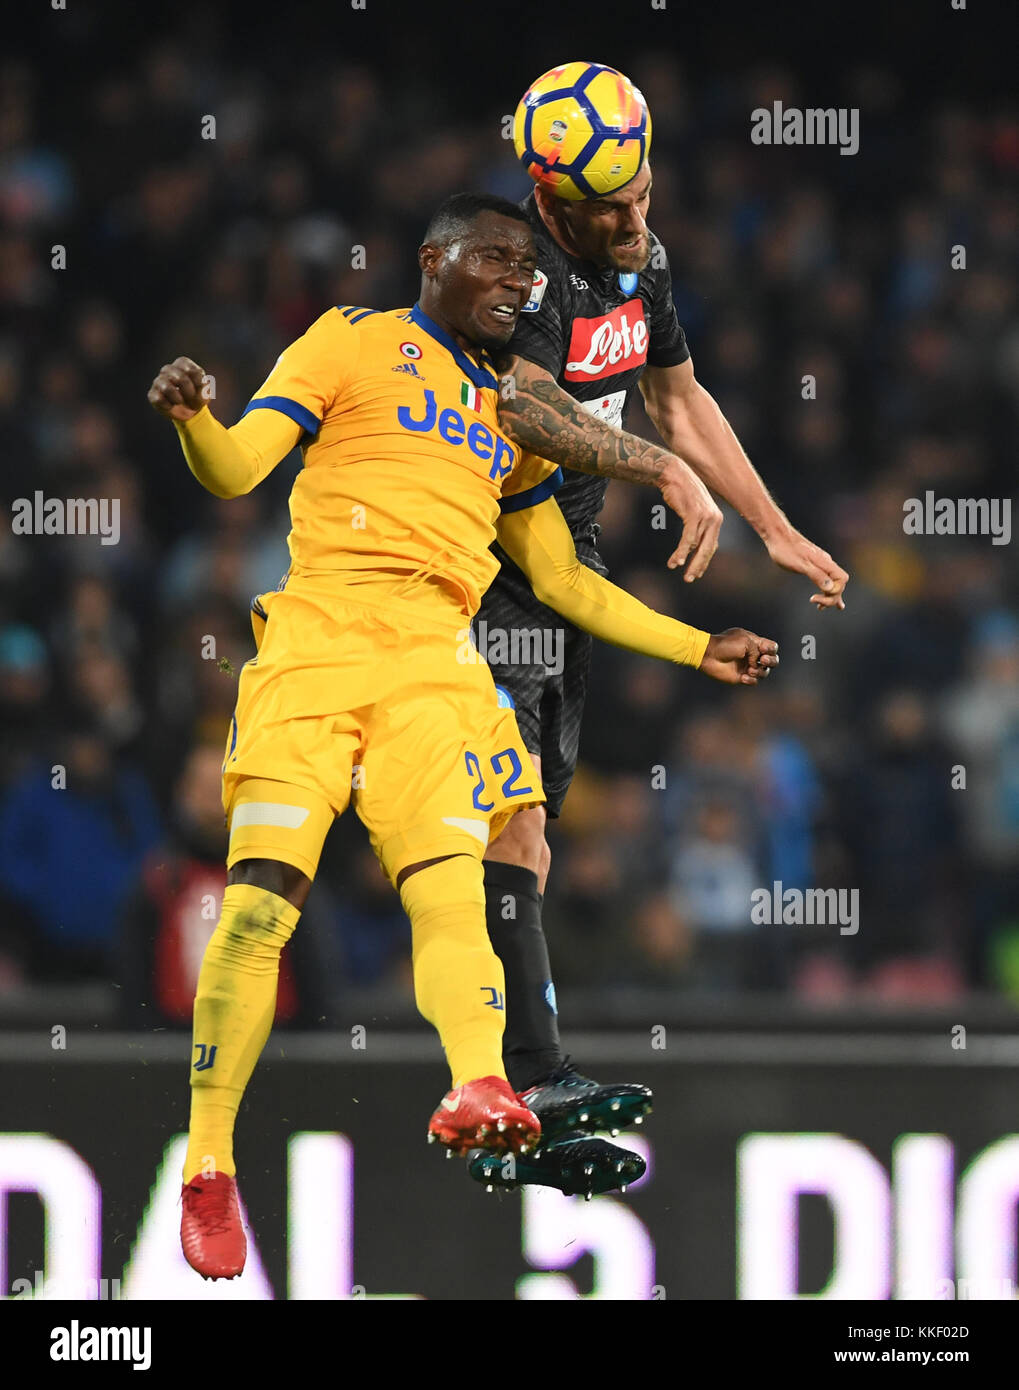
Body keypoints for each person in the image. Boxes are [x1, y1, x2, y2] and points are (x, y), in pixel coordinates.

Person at [148, 191, 778, 1278]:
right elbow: (239, 467)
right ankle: (208, 1162)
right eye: (497, 258)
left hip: (434, 665)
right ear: (434, 259)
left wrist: (691, 647)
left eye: (529, 270)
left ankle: (481, 1082)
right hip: (314, 646)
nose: (519, 281)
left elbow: (561, 579)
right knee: (257, 906)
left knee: (454, 887)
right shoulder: (352, 340)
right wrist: (196, 420)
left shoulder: (510, 418)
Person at [469, 93, 848, 1192]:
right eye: (611, 206)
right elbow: (523, 409)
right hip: (477, 572)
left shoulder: (638, 254)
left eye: (642, 188)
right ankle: (516, 1083)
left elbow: (675, 400)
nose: (637, 215)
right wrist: (657, 472)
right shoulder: (512, 273)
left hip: (556, 576)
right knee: (506, 825)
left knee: (521, 841)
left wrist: (772, 528)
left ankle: (508, 1097)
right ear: (550, 198)